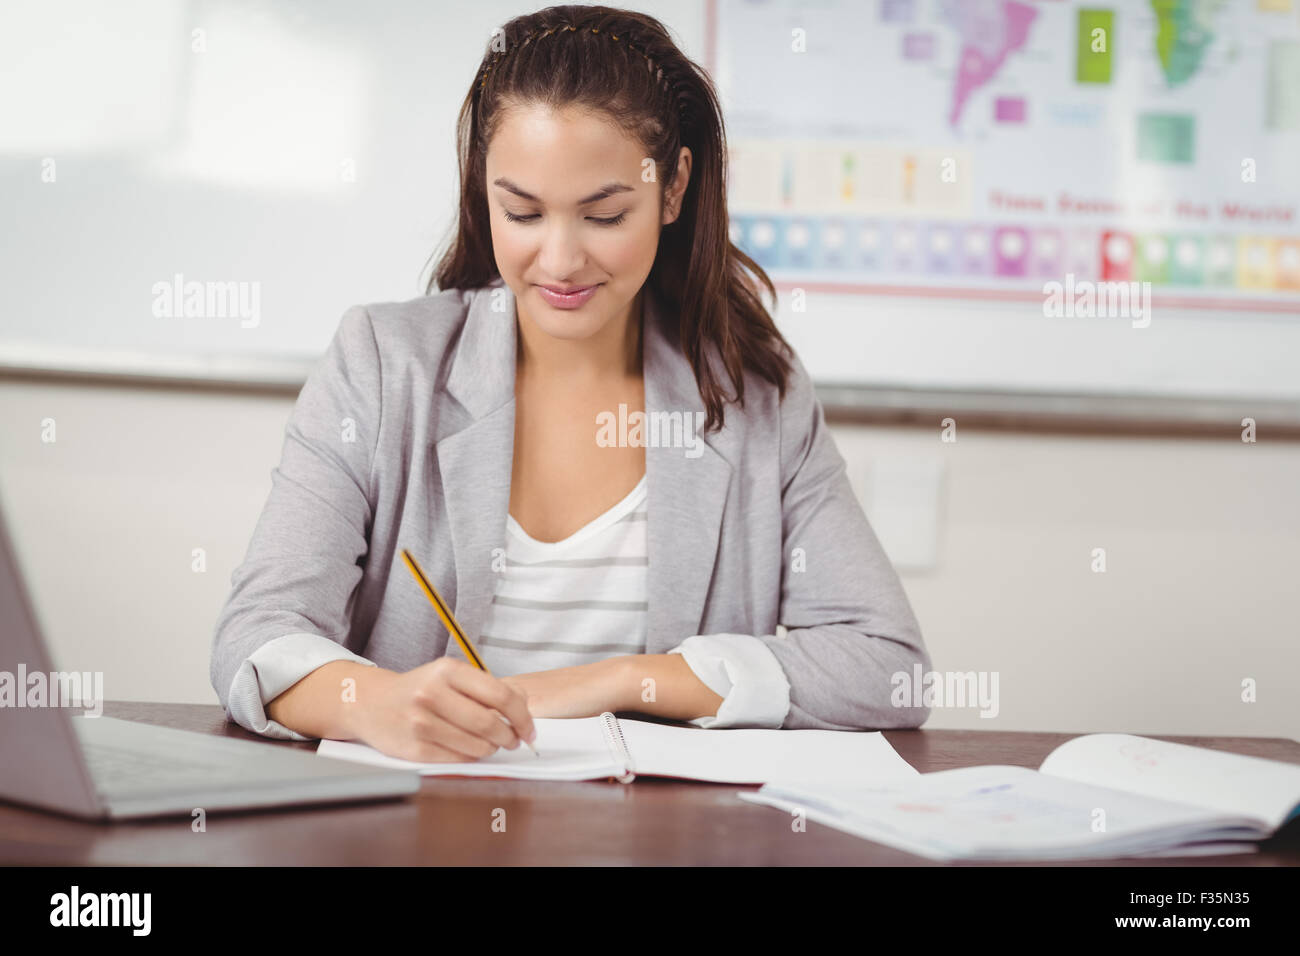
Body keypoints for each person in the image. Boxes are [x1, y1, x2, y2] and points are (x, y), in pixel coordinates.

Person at [209, 5, 931, 763]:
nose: (558, 261)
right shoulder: (383, 364)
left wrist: (625, 681)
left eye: (604, 214)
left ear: (673, 187)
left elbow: (889, 668)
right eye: (521, 211)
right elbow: (254, 635)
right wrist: (374, 701)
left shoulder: (756, 396)